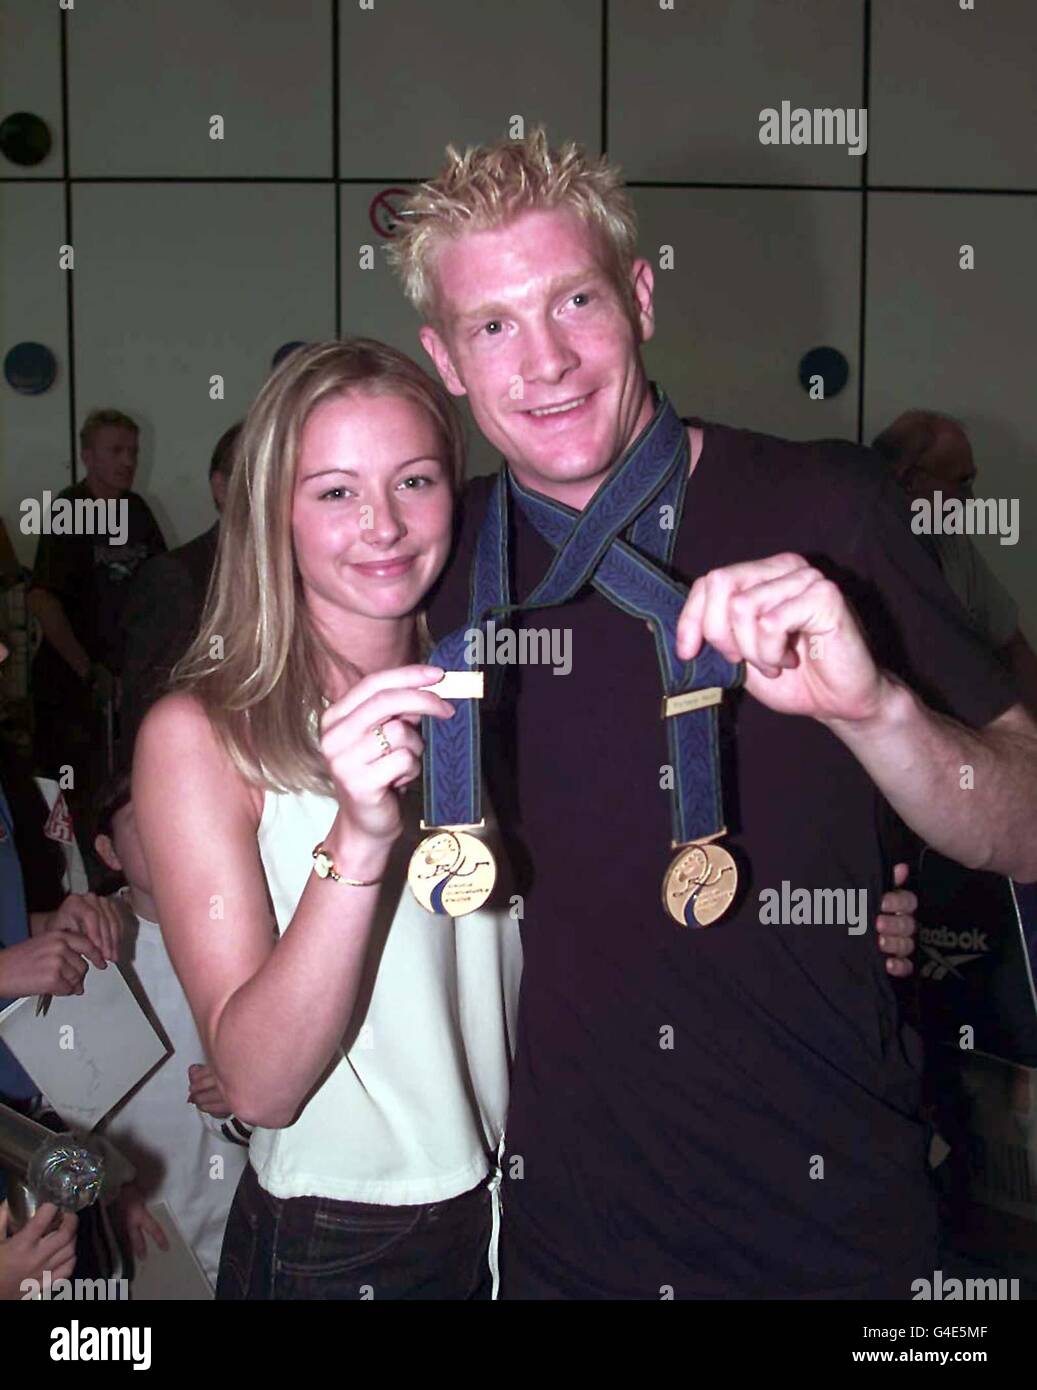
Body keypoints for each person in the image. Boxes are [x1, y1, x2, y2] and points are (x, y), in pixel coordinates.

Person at [385, 127, 1037, 1298]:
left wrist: (880, 713)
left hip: (829, 1218)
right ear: (444, 357)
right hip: (569, 1230)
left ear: (636, 295)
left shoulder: (826, 505)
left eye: (572, 300)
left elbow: (1023, 819)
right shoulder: (442, 560)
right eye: (492, 325)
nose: (542, 361)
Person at [132, 340, 523, 1300]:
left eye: (415, 480)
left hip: (521, 1197)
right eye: (336, 492)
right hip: (350, 1231)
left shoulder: (482, 693)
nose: (383, 525)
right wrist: (357, 836)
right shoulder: (203, 734)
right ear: (273, 512)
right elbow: (259, 1083)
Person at [90, 772, 250, 1291]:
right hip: (145, 1216)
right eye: (141, 821)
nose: (164, 827)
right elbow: (72, 1093)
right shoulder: (93, 948)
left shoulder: (246, 927)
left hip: (240, 1199)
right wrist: (117, 1190)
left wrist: (245, 1090)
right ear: (109, 852)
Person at [28, 409, 166, 857]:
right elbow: (43, 600)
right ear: (88, 457)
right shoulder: (69, 511)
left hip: (128, 681)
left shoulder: (137, 511)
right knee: (72, 792)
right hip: (72, 686)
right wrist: (88, 671)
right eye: (116, 451)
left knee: (124, 789)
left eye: (133, 451)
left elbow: (163, 586)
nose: (127, 461)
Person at [873, 409, 1037, 716]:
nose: (971, 498)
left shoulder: (952, 543)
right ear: (910, 479)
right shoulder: (856, 544)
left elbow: (1012, 647)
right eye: (962, 482)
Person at [120, 422, 243, 758]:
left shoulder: (308, 570)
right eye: (255, 476)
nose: (271, 490)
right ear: (221, 487)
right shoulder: (177, 577)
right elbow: (144, 706)